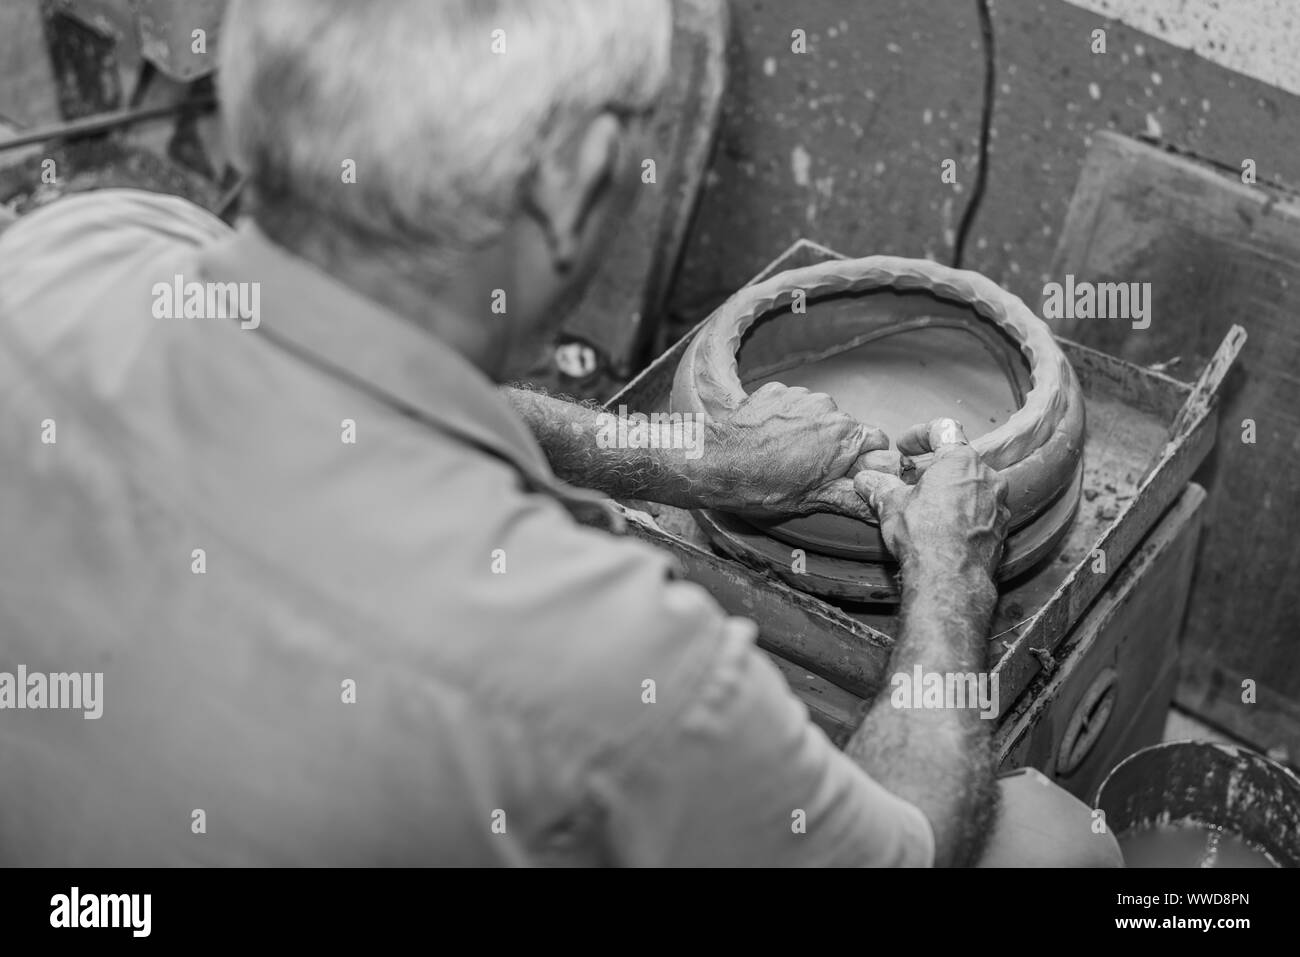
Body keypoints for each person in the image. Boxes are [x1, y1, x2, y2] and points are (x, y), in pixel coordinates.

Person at [0, 0, 1120, 867]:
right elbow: (903, 846)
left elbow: (358, 381)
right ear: (582, 180)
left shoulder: (85, 246)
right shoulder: (609, 663)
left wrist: (688, 456)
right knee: (1047, 838)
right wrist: (948, 580)